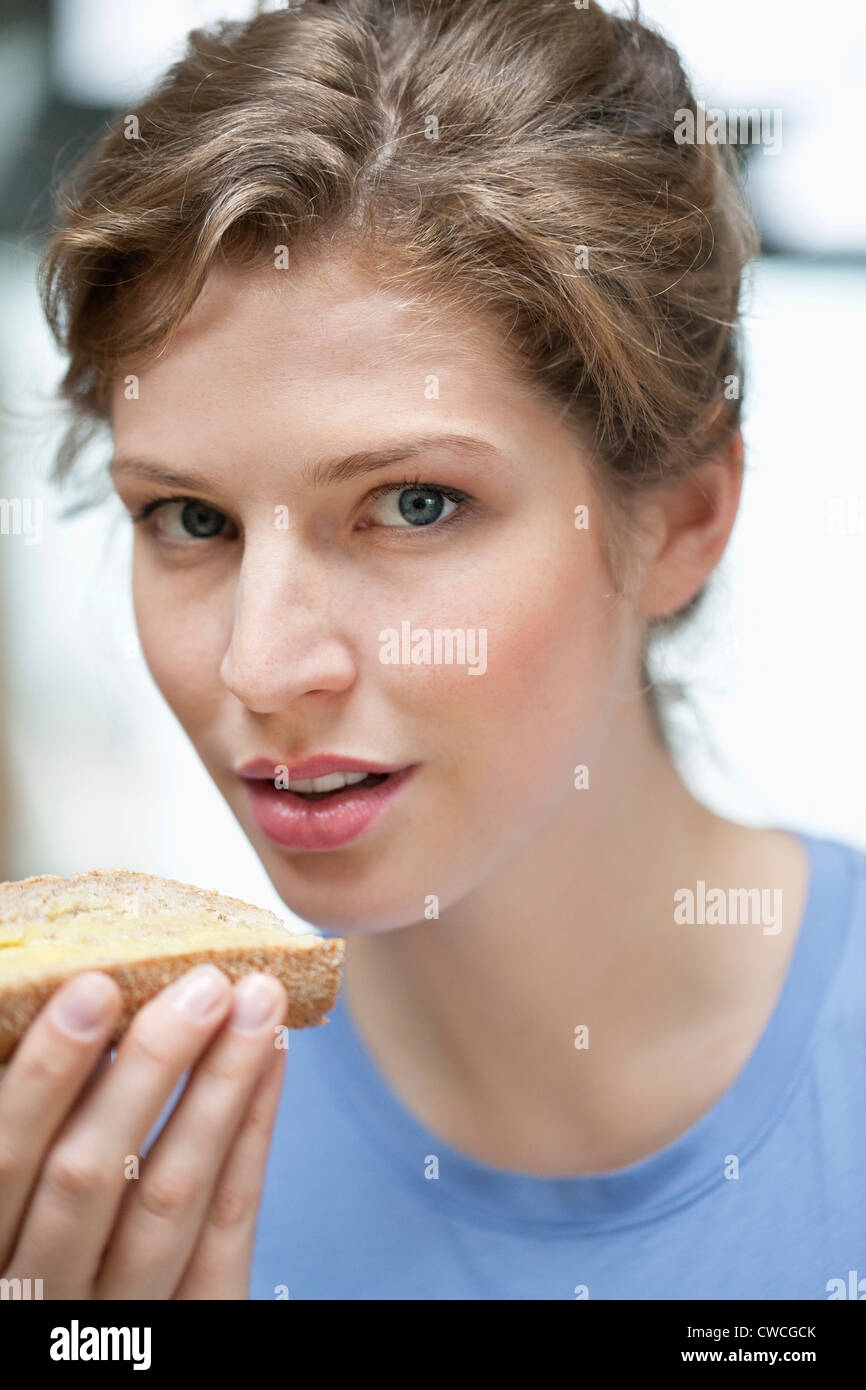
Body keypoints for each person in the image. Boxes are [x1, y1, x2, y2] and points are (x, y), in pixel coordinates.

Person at [2, 0, 863, 1299]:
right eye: (189, 518)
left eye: (413, 504)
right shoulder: (78, 1162)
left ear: (682, 519)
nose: (260, 664)